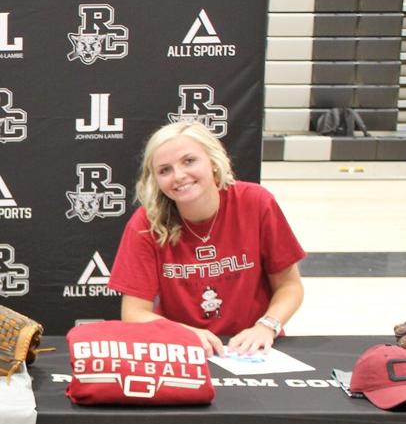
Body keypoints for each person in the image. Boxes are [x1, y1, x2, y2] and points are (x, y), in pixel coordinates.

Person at [109, 122, 305, 357]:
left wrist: (267, 326)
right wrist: (183, 333)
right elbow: (134, 314)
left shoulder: (256, 202)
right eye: (164, 170)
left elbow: (289, 286)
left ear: (213, 162)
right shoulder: (145, 224)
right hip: (182, 350)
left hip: (252, 349)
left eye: (189, 161)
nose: (179, 176)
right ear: (156, 181)